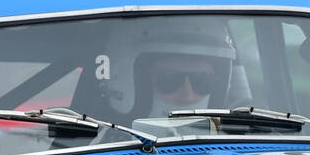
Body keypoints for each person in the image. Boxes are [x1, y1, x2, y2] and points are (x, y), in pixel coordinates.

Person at [97, 16, 243, 123]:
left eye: (202, 81)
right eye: (170, 80)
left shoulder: (240, 140)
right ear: (132, 81)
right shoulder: (96, 153)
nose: (188, 96)